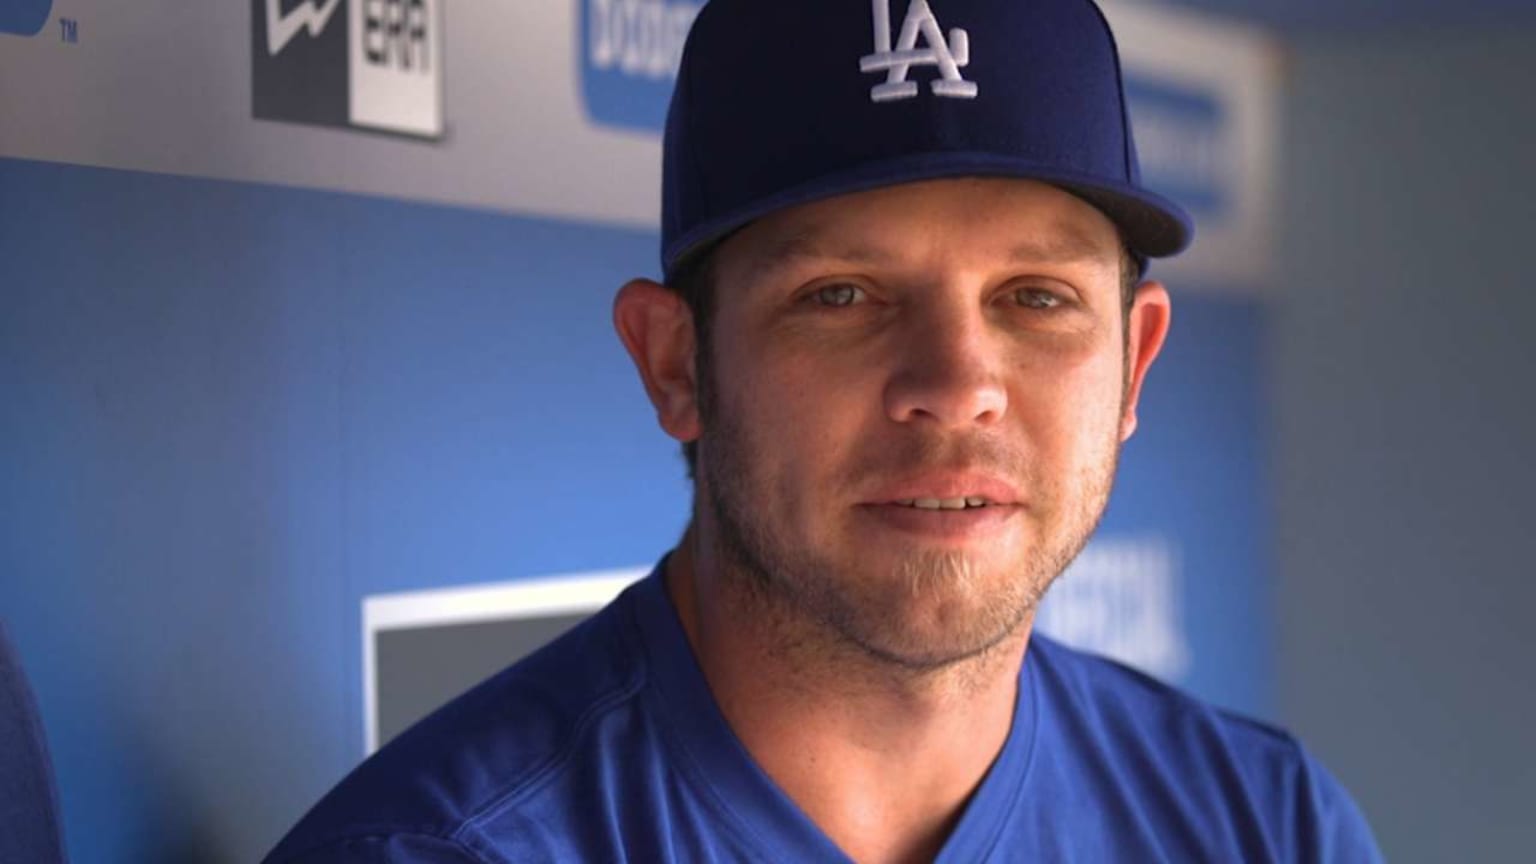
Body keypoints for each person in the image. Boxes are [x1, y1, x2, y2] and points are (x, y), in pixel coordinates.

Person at [266, 0, 1383, 861]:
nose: (956, 385)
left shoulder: (1261, 825)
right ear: (676, 363)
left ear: (1133, 362)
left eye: (1036, 296)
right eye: (841, 295)